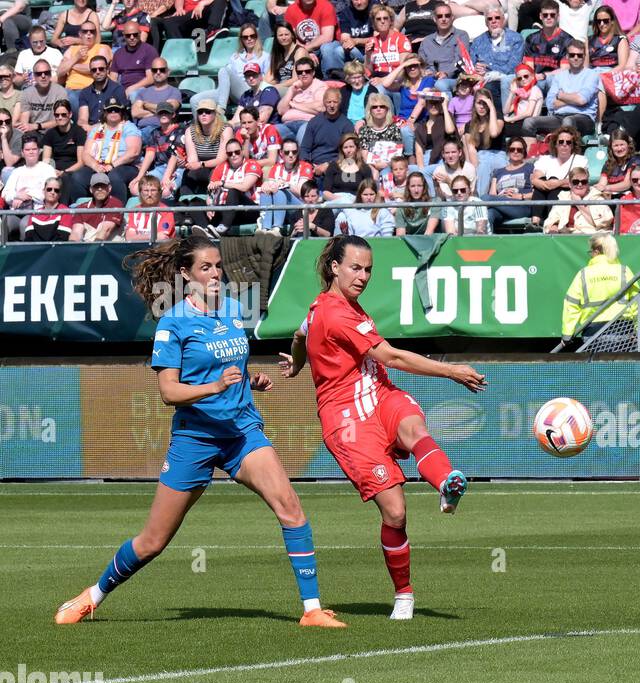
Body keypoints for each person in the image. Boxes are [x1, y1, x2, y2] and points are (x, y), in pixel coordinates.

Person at [55, 236, 345, 629]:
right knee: (153, 541)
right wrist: (215, 387)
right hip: (195, 438)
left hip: (241, 431)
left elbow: (231, 368)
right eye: (205, 268)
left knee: (291, 509)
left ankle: (312, 610)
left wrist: (249, 381)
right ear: (184, 274)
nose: (214, 274)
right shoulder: (173, 322)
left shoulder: (231, 310)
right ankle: (92, 596)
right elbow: (168, 392)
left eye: (218, 267)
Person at [279, 236, 487, 621]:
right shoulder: (336, 314)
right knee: (395, 512)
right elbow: (389, 354)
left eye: (369, 269)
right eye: (355, 268)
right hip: (347, 421)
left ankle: (445, 483)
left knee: (413, 426)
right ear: (334, 268)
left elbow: (298, 336)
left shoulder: (335, 308)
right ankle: (404, 595)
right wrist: (451, 371)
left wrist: (295, 365)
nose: (363, 276)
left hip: (380, 393)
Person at [559, 233, 637, 340]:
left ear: (596, 252)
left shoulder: (583, 274)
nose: (590, 255)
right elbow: (637, 303)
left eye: (590, 252)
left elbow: (571, 304)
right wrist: (638, 328)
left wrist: (567, 334)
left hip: (592, 332)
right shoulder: (624, 271)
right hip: (622, 330)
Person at [71, 99, 143, 202]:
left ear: (122, 112)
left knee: (114, 176)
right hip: (99, 165)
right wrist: (95, 166)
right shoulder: (96, 129)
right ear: (105, 113)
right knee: (78, 177)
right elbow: (86, 154)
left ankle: (117, 212)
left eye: (116, 110)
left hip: (124, 165)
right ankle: (81, 211)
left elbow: (133, 152)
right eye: (110, 110)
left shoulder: (129, 127)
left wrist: (112, 165)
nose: (113, 112)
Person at [532, 41, 602, 136]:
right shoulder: (559, 76)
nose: (576, 58)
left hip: (583, 118)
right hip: (559, 117)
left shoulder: (592, 75)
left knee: (568, 121)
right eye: (572, 55)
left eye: (579, 55)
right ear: (567, 56)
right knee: (530, 122)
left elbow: (582, 100)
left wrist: (561, 96)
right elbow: (550, 104)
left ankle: (562, 144)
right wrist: (574, 98)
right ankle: (532, 149)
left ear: (584, 57)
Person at [417, 2, 473, 95]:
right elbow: (421, 63)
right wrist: (427, 72)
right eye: (440, 16)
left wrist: (446, 73)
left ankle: (449, 109)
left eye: (447, 16)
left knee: (440, 84)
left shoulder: (461, 35)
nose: (443, 19)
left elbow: (459, 60)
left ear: (452, 18)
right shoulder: (427, 41)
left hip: (454, 79)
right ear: (435, 19)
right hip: (431, 78)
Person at [217, 24, 270, 110]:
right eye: (245, 37)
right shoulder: (235, 56)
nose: (249, 39)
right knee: (195, 100)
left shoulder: (265, 56)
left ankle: (221, 110)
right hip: (232, 92)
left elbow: (268, 79)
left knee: (224, 70)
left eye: (252, 36)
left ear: (256, 37)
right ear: (241, 40)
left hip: (251, 90)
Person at [487, 135, 536, 229]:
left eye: (519, 150)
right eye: (512, 149)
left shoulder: (530, 168)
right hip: (501, 205)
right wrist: (501, 196)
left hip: (521, 206)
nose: (516, 152)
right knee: (490, 213)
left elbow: (536, 194)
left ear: (524, 152)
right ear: (508, 151)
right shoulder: (498, 172)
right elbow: (492, 195)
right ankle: (485, 240)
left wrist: (521, 196)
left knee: (484, 198)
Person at [542, 164, 610, 232]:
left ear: (588, 184)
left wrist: (579, 204)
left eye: (583, 182)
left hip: (589, 236)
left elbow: (603, 223)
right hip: (566, 236)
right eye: (575, 182)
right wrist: (554, 226)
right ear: (570, 184)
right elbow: (552, 218)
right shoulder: (564, 197)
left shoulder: (597, 197)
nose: (580, 185)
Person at [131, 58, 181, 132]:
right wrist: (160, 112)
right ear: (151, 72)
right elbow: (135, 113)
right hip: (141, 130)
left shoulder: (174, 91)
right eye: (155, 70)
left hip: (162, 130)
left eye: (162, 70)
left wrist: (147, 105)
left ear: (168, 72)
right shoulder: (142, 92)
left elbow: (169, 109)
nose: (158, 72)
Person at [123, 173, 175, 239]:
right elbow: (129, 237)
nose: (149, 194)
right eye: (146, 191)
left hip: (160, 248)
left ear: (159, 192)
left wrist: (139, 237)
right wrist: (151, 236)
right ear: (140, 192)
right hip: (138, 248)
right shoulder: (135, 211)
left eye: (153, 190)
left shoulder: (166, 211)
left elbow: (162, 237)